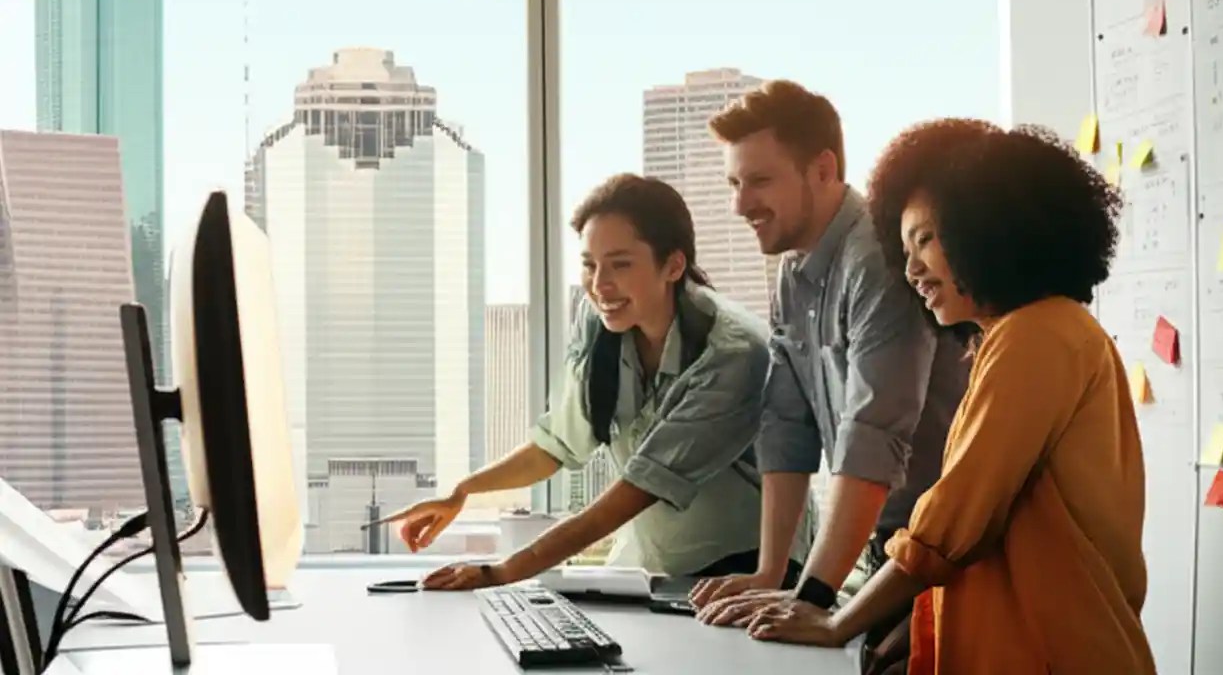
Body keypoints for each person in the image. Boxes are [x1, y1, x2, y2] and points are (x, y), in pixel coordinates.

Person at [747, 119, 1157, 674]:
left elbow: (953, 522)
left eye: (925, 240)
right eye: (904, 247)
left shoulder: (1036, 336)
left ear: (985, 229)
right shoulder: (1023, 336)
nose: (911, 269)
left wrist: (836, 621)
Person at [383, 173, 811, 590]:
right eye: (590, 265)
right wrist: (462, 492)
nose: (601, 285)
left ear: (674, 264)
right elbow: (556, 445)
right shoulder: (602, 319)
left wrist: (500, 573)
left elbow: (637, 489)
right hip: (652, 566)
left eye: (621, 264)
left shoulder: (733, 354)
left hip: (745, 570)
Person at [690, 80, 968, 632]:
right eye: (734, 183)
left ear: (822, 169)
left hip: (939, 559)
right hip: (879, 550)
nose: (740, 204)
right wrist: (771, 571)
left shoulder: (880, 260)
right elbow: (786, 427)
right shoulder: (794, 273)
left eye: (760, 181)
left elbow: (874, 431)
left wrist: (814, 596)